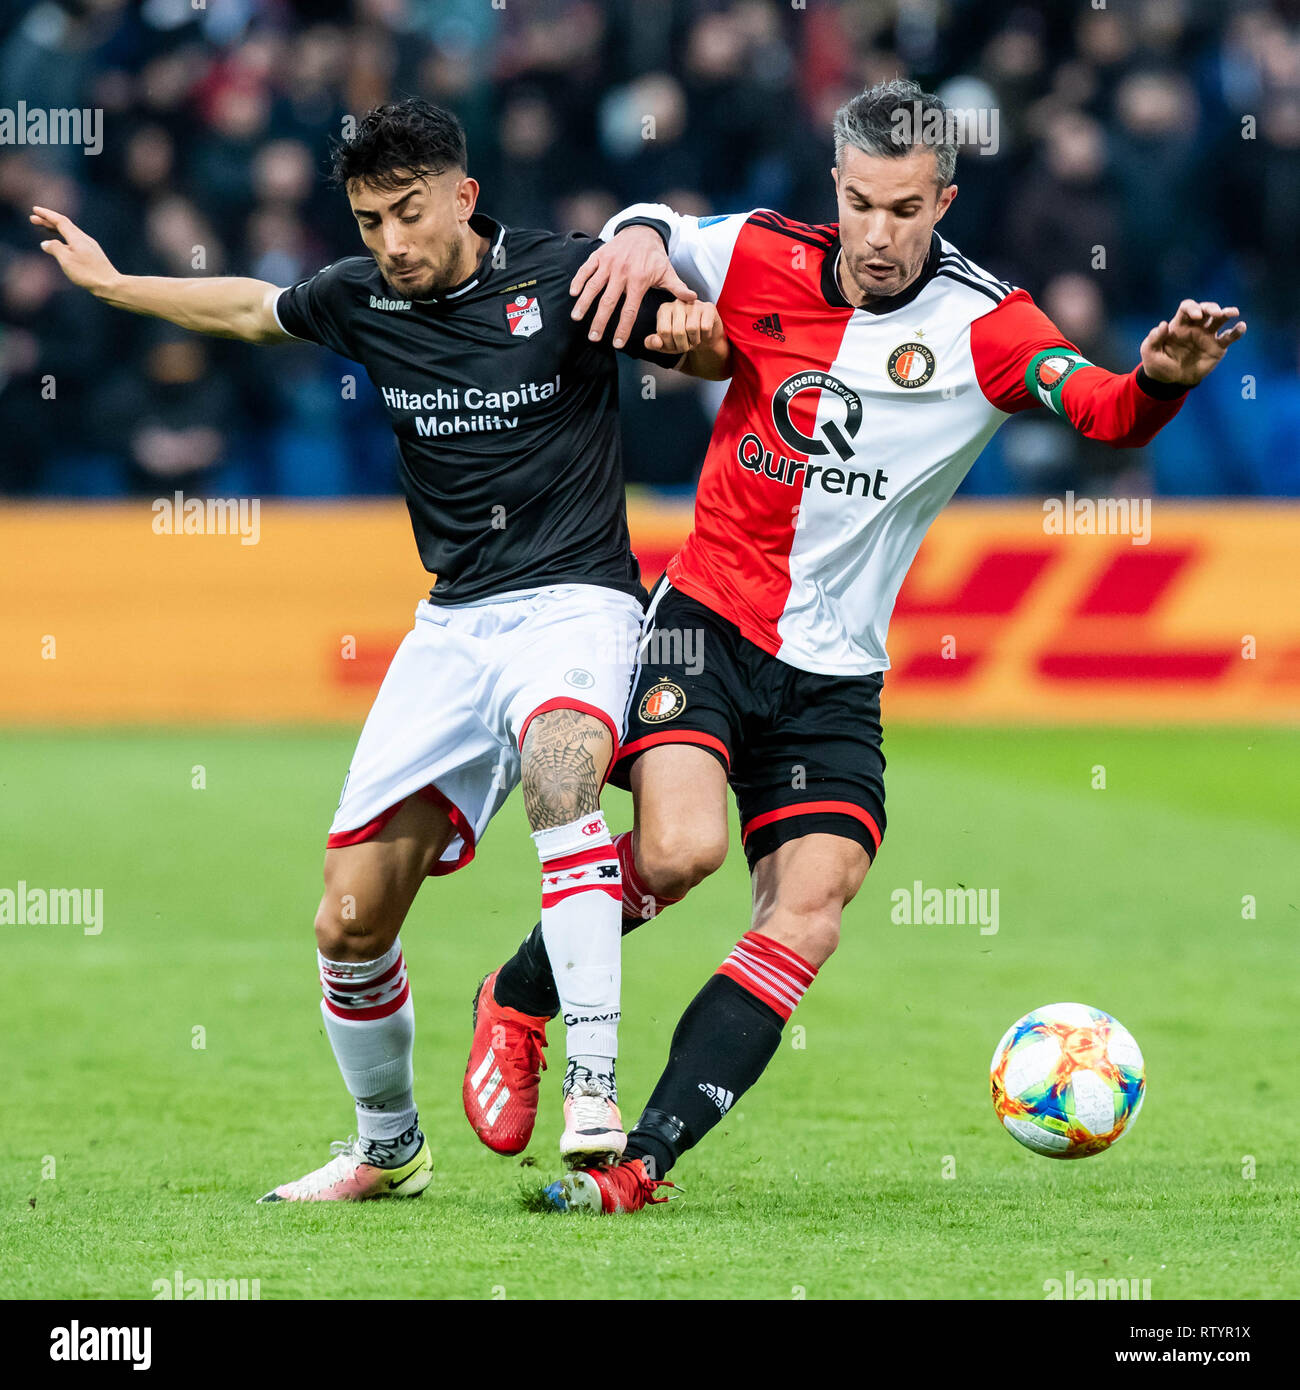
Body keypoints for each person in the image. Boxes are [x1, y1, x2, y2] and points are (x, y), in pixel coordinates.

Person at [467, 78, 1246, 1214]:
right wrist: (637, 245)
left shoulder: (986, 324)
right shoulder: (758, 253)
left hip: (835, 673)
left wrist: (1158, 383)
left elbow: (1101, 409)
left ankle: (641, 1164)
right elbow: (659, 227)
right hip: (709, 616)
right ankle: (519, 995)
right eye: (859, 205)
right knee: (676, 852)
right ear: (835, 189)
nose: (878, 236)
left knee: (809, 908)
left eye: (904, 210)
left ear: (944, 200)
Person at [33, 97, 723, 1200]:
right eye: (367, 222)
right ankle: (387, 1146)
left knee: (560, 776)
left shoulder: (567, 280)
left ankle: (593, 1083)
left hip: (575, 601)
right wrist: (117, 285)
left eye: (408, 213)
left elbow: (715, 347)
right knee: (347, 920)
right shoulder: (361, 298)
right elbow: (255, 308)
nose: (391, 244)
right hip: (453, 627)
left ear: (463, 195)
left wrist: (701, 341)